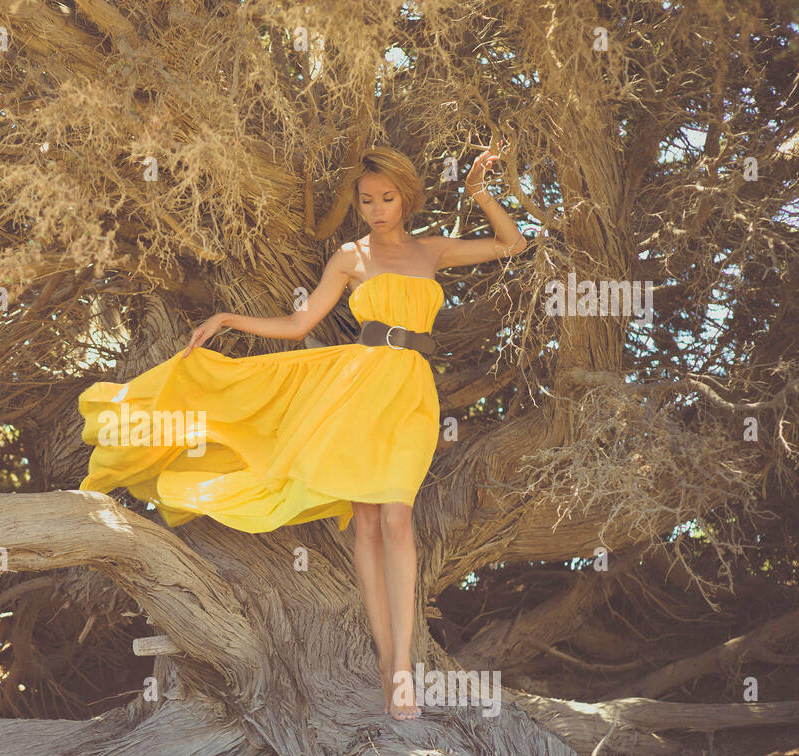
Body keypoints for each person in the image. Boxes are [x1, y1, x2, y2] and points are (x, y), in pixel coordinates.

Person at [78, 137, 528, 719]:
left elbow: (512, 244)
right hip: (359, 386)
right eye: (366, 200)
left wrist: (479, 193)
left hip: (413, 391)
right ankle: (396, 673)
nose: (376, 208)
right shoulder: (350, 257)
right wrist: (227, 318)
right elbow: (299, 323)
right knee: (368, 520)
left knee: (397, 516)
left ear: (406, 198)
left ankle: (403, 664)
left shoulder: (433, 250)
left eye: (386, 197)